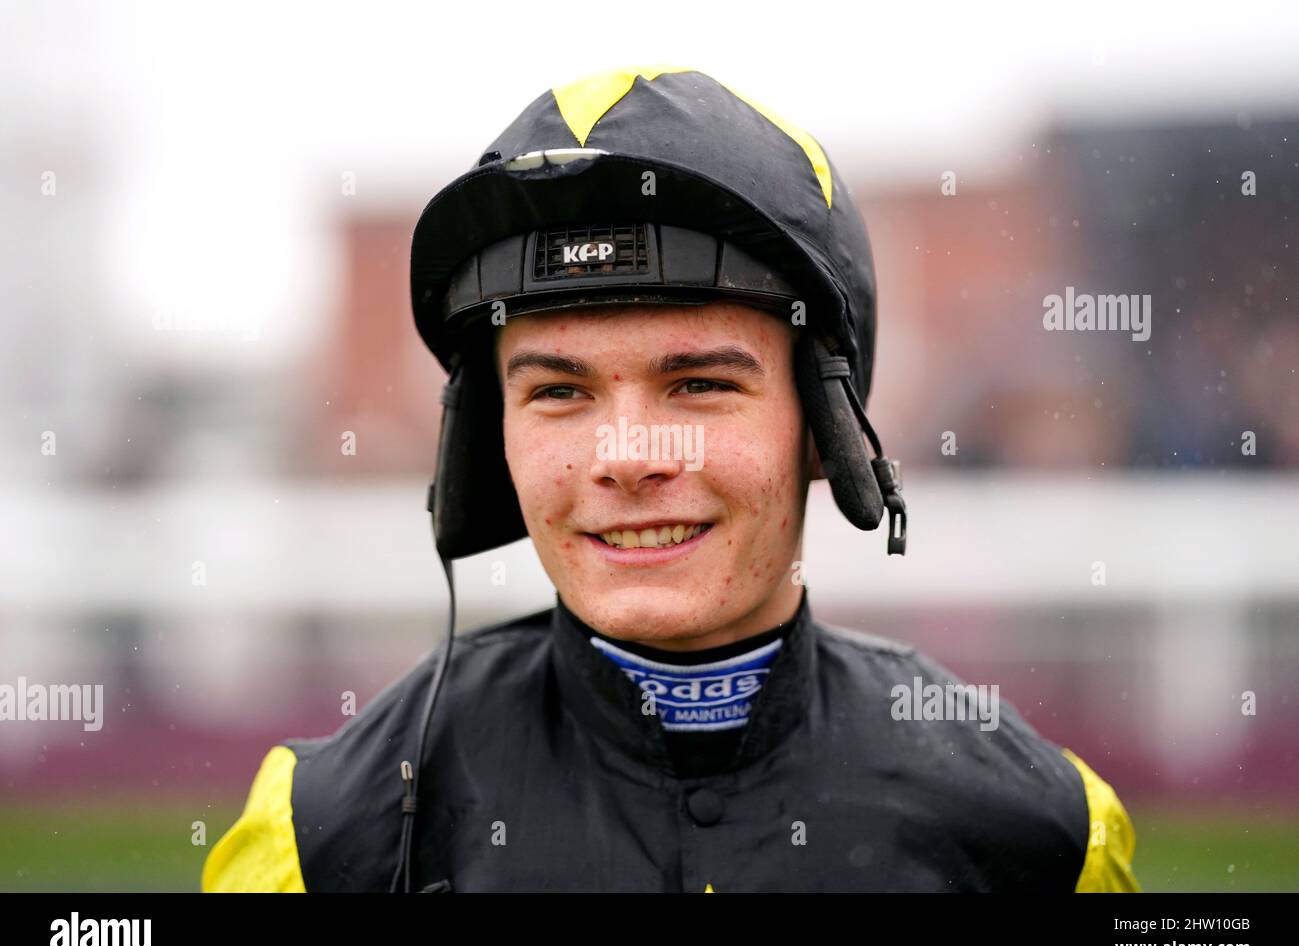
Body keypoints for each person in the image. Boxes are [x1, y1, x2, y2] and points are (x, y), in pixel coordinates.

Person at [202, 65, 1139, 893]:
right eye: (561, 392)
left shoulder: (1042, 837)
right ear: (490, 440)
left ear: (829, 429)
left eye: (697, 385)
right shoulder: (323, 837)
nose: (628, 456)